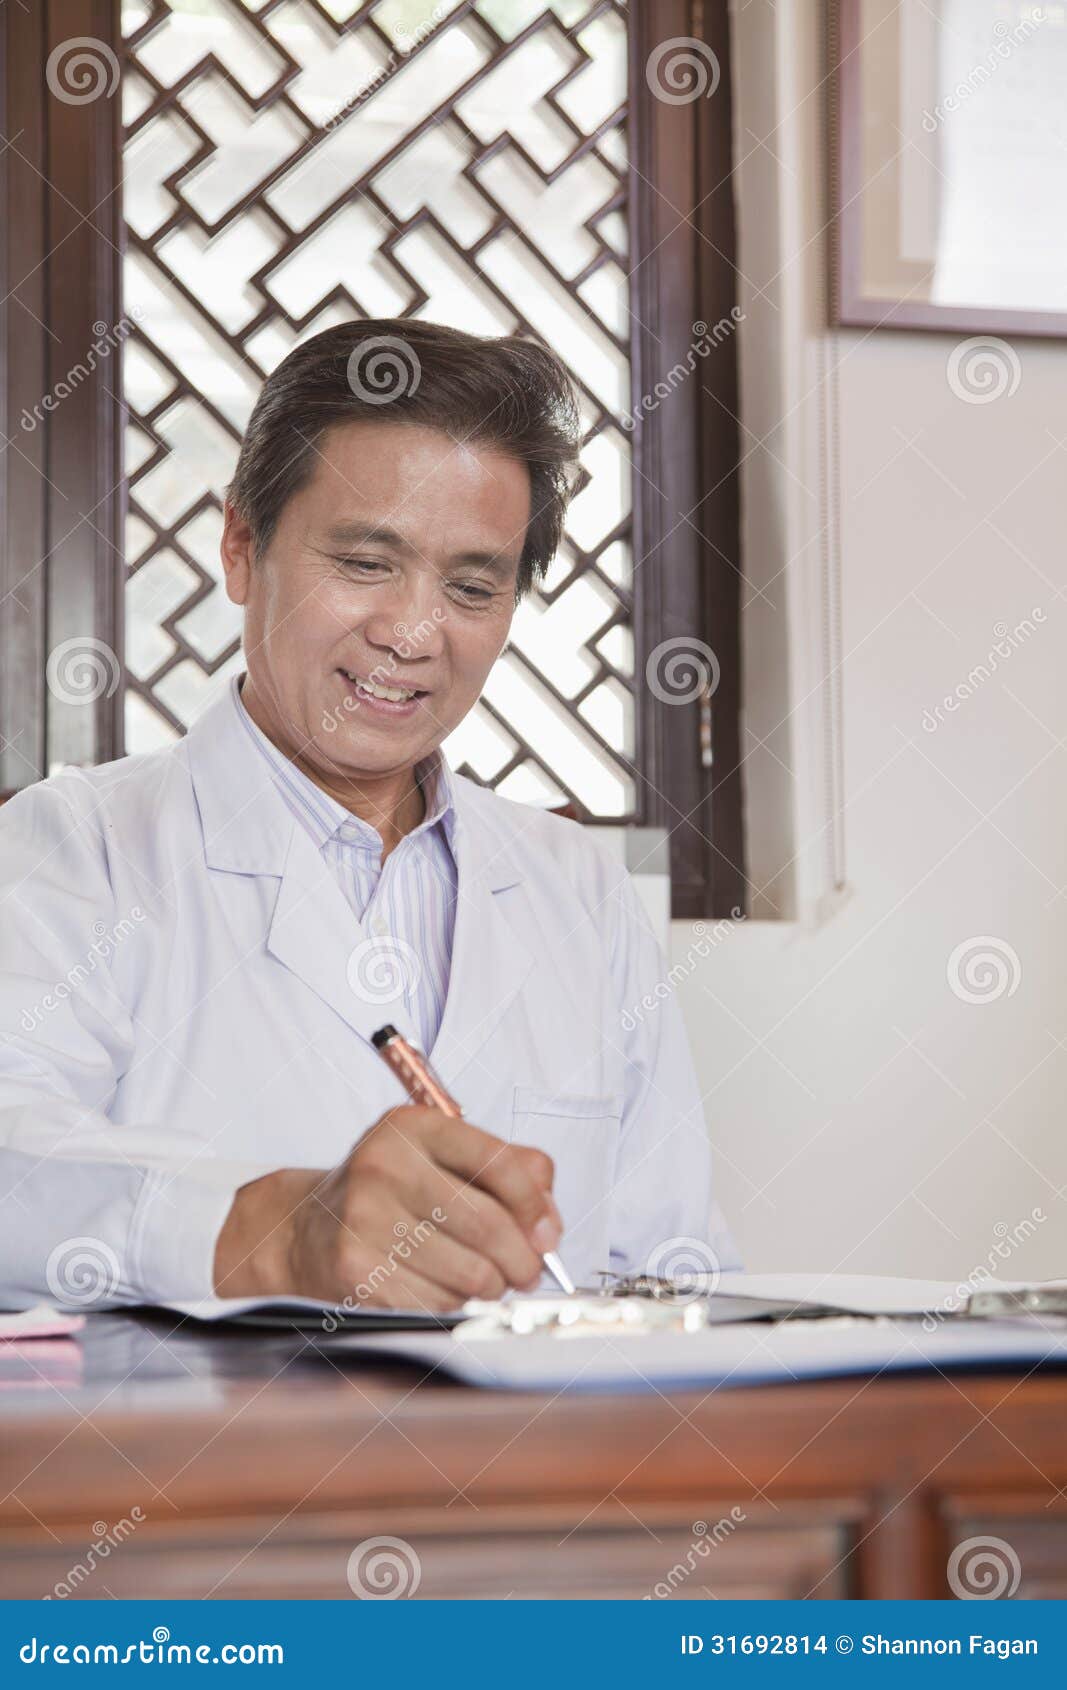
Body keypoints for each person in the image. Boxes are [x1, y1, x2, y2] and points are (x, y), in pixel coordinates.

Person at [0, 319, 737, 1312]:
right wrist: (272, 1233)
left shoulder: (578, 886)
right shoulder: (79, 848)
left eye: (472, 585)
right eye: (363, 564)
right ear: (239, 547)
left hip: (538, 1460)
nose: (410, 632)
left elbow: (672, 1256)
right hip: (210, 1462)